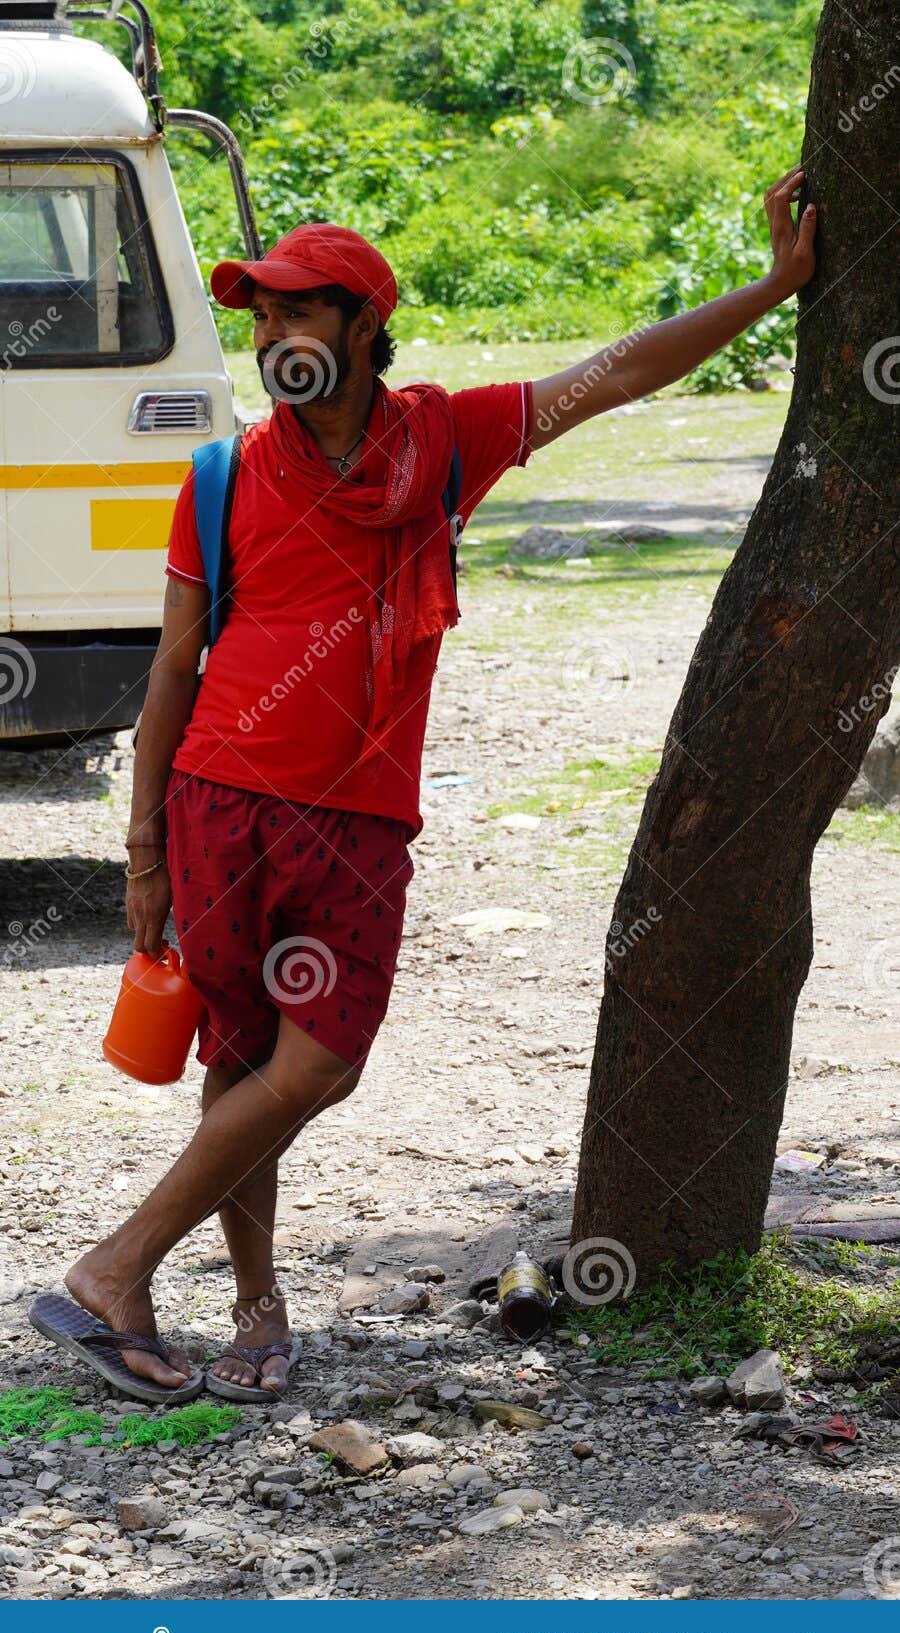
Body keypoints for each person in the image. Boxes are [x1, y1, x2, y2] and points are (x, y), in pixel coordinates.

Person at [39, 169, 816, 1401]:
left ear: (363, 324)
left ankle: (121, 1262)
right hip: (217, 803)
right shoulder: (218, 478)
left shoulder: (447, 442)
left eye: (306, 311)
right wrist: (143, 857)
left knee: (320, 1063)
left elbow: (615, 372)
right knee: (244, 1062)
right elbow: (172, 674)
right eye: (264, 316)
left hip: (357, 821)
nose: (280, 337)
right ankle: (250, 1311)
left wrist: (770, 288)